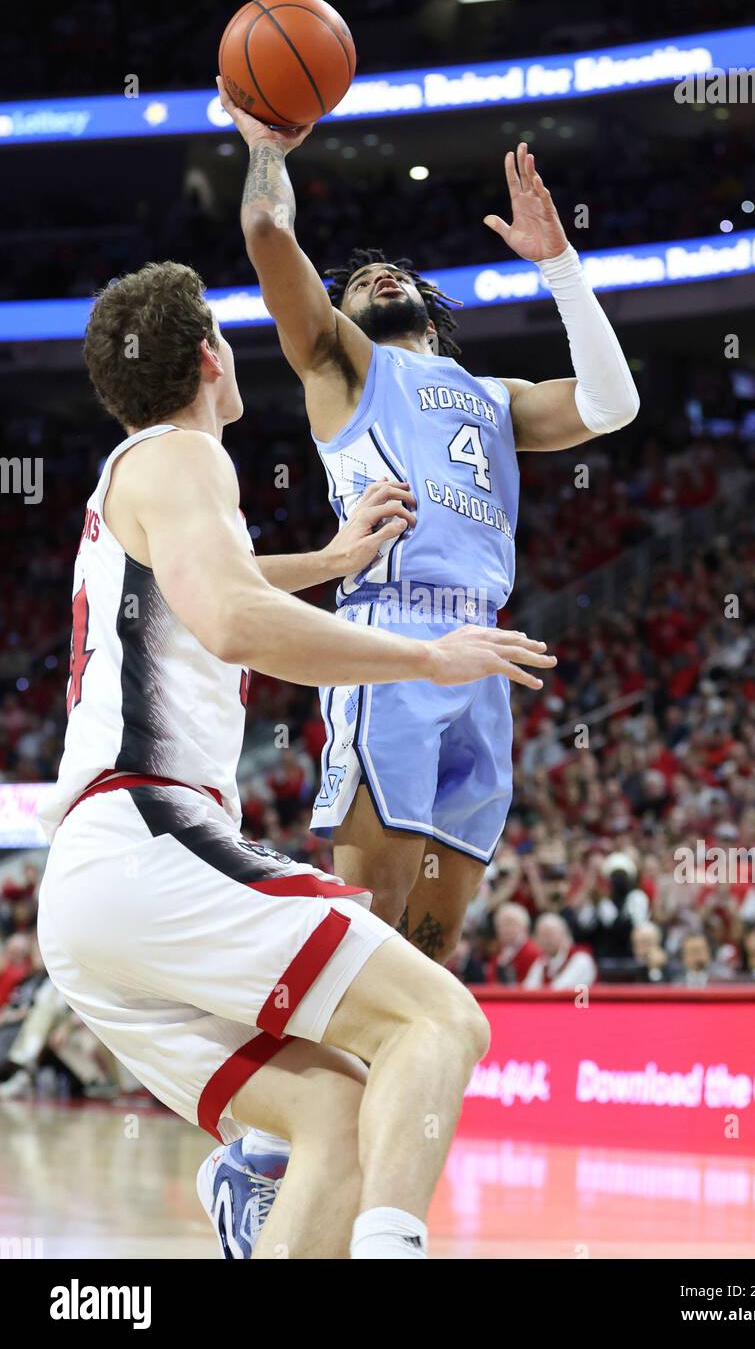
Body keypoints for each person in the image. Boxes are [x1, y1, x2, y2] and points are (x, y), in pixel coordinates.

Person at [36, 260, 555, 1261]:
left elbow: (212, 585)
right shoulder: (186, 456)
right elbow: (233, 621)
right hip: (147, 837)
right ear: (208, 359)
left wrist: (326, 561)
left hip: (97, 902)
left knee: (338, 1123)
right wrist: (425, 654)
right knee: (438, 1020)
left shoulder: (134, 490)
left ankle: (256, 1170)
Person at [217, 77, 639, 965]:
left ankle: (403, 1106)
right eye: (361, 278)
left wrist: (560, 266)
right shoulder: (346, 364)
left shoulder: (497, 397)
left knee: (429, 949)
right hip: (390, 635)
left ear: (437, 313)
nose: (382, 273)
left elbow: (614, 404)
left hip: (483, 653)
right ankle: (305, 1099)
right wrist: (266, 146)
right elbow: (265, 233)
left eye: (395, 271)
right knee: (369, 933)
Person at [522, 912, 596, 990]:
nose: (546, 940)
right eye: (542, 935)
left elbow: (561, 989)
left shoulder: (581, 958)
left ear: (564, 934)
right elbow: (528, 988)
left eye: (550, 934)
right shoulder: (541, 961)